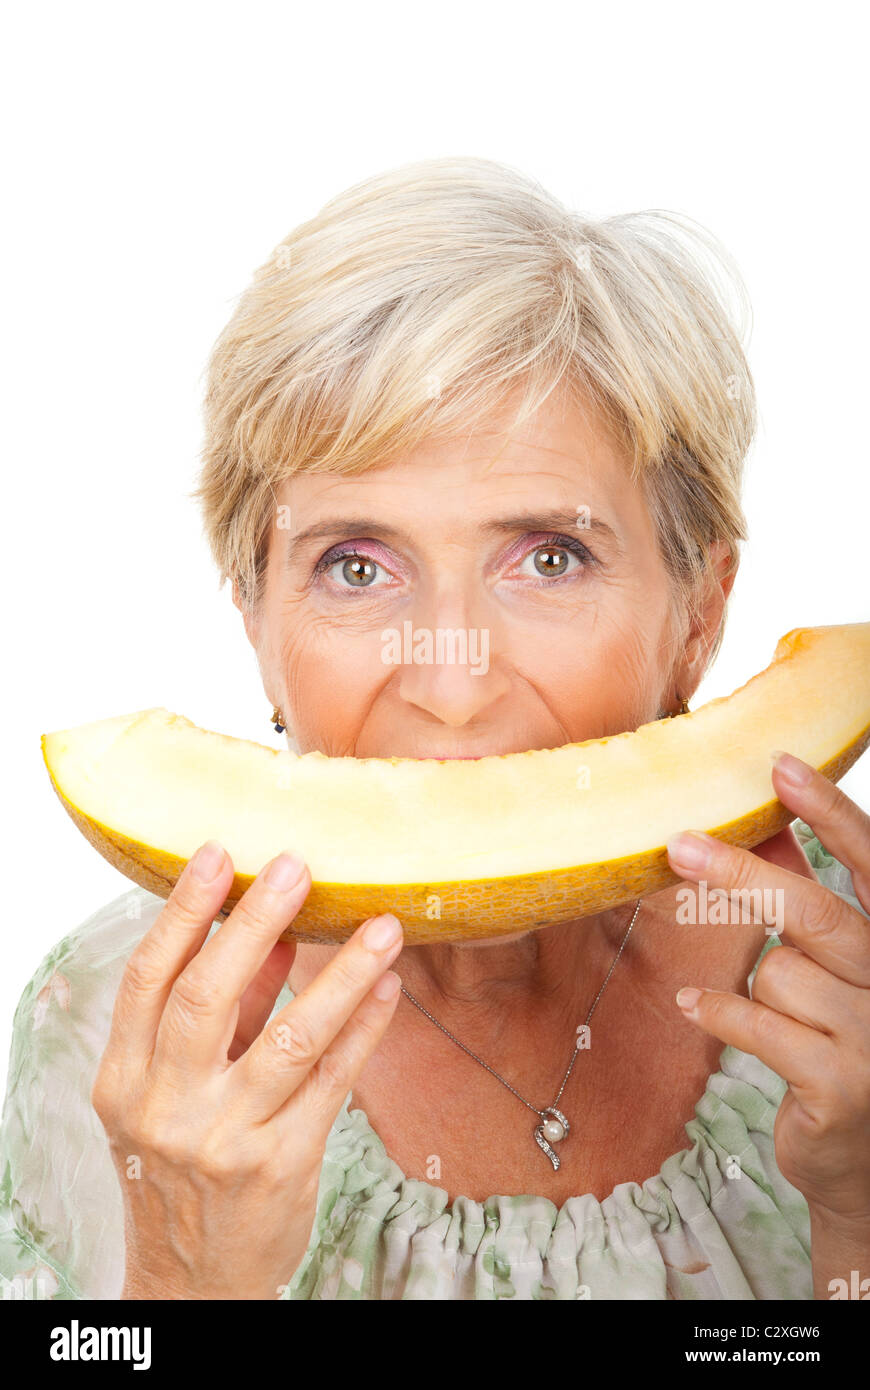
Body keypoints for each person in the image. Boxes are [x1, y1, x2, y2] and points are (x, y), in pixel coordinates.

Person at [2, 157, 868, 1301]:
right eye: (356, 566)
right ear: (255, 619)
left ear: (699, 615)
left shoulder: (851, 976)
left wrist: (858, 1216)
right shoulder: (117, 1021)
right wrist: (185, 1278)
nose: (452, 683)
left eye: (550, 558)